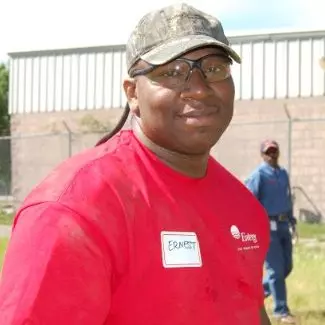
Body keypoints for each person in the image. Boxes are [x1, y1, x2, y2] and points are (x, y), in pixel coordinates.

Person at [0, 3, 271, 325]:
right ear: (132, 93)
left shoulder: (242, 207)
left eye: (214, 69)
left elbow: (250, 312)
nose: (199, 89)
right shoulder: (75, 210)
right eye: (171, 72)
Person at [245, 140, 298, 324]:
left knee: (286, 267)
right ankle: (281, 311)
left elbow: (287, 197)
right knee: (275, 270)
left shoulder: (283, 174)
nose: (272, 154)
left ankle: (252, 297)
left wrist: (292, 220)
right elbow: (248, 202)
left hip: (284, 226)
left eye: (275, 150)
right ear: (262, 154)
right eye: (268, 151)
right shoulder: (259, 175)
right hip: (268, 228)